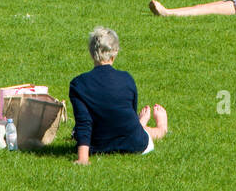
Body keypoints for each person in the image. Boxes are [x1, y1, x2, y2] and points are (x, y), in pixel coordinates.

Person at [70, 27, 167, 164]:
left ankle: (143, 124)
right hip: (135, 143)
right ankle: (161, 127)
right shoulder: (127, 78)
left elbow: (83, 122)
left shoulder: (78, 84)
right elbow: (130, 113)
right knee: (138, 128)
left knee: (127, 124)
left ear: (92, 54)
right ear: (114, 54)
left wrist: (83, 158)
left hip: (99, 146)